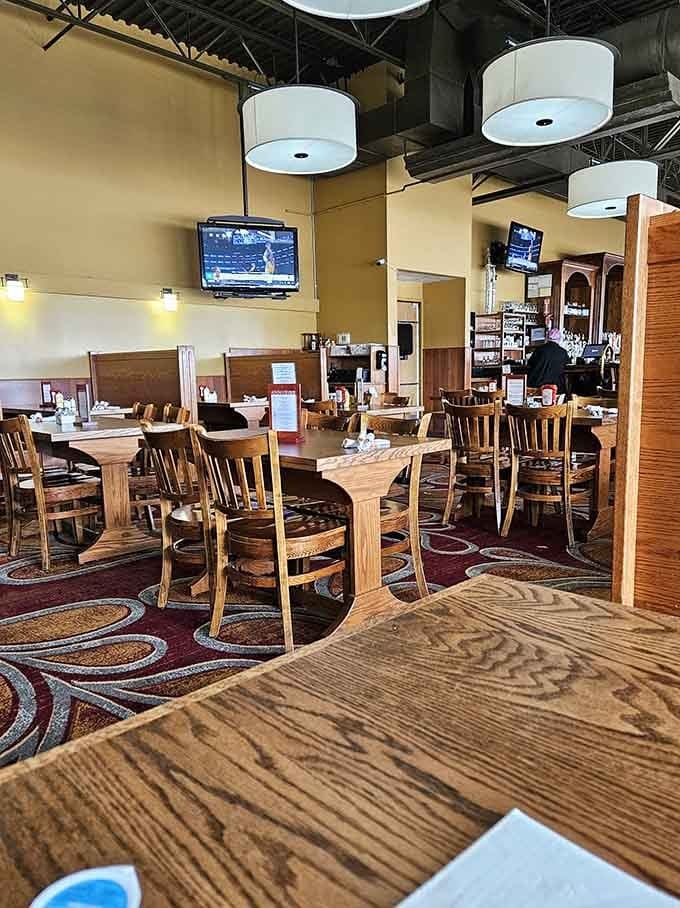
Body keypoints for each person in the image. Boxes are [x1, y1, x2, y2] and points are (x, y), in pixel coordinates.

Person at [526, 328, 569, 394]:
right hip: (557, 388)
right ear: (559, 339)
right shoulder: (563, 352)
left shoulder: (539, 350)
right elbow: (567, 365)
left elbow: (530, 364)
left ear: (547, 337)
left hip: (537, 386)